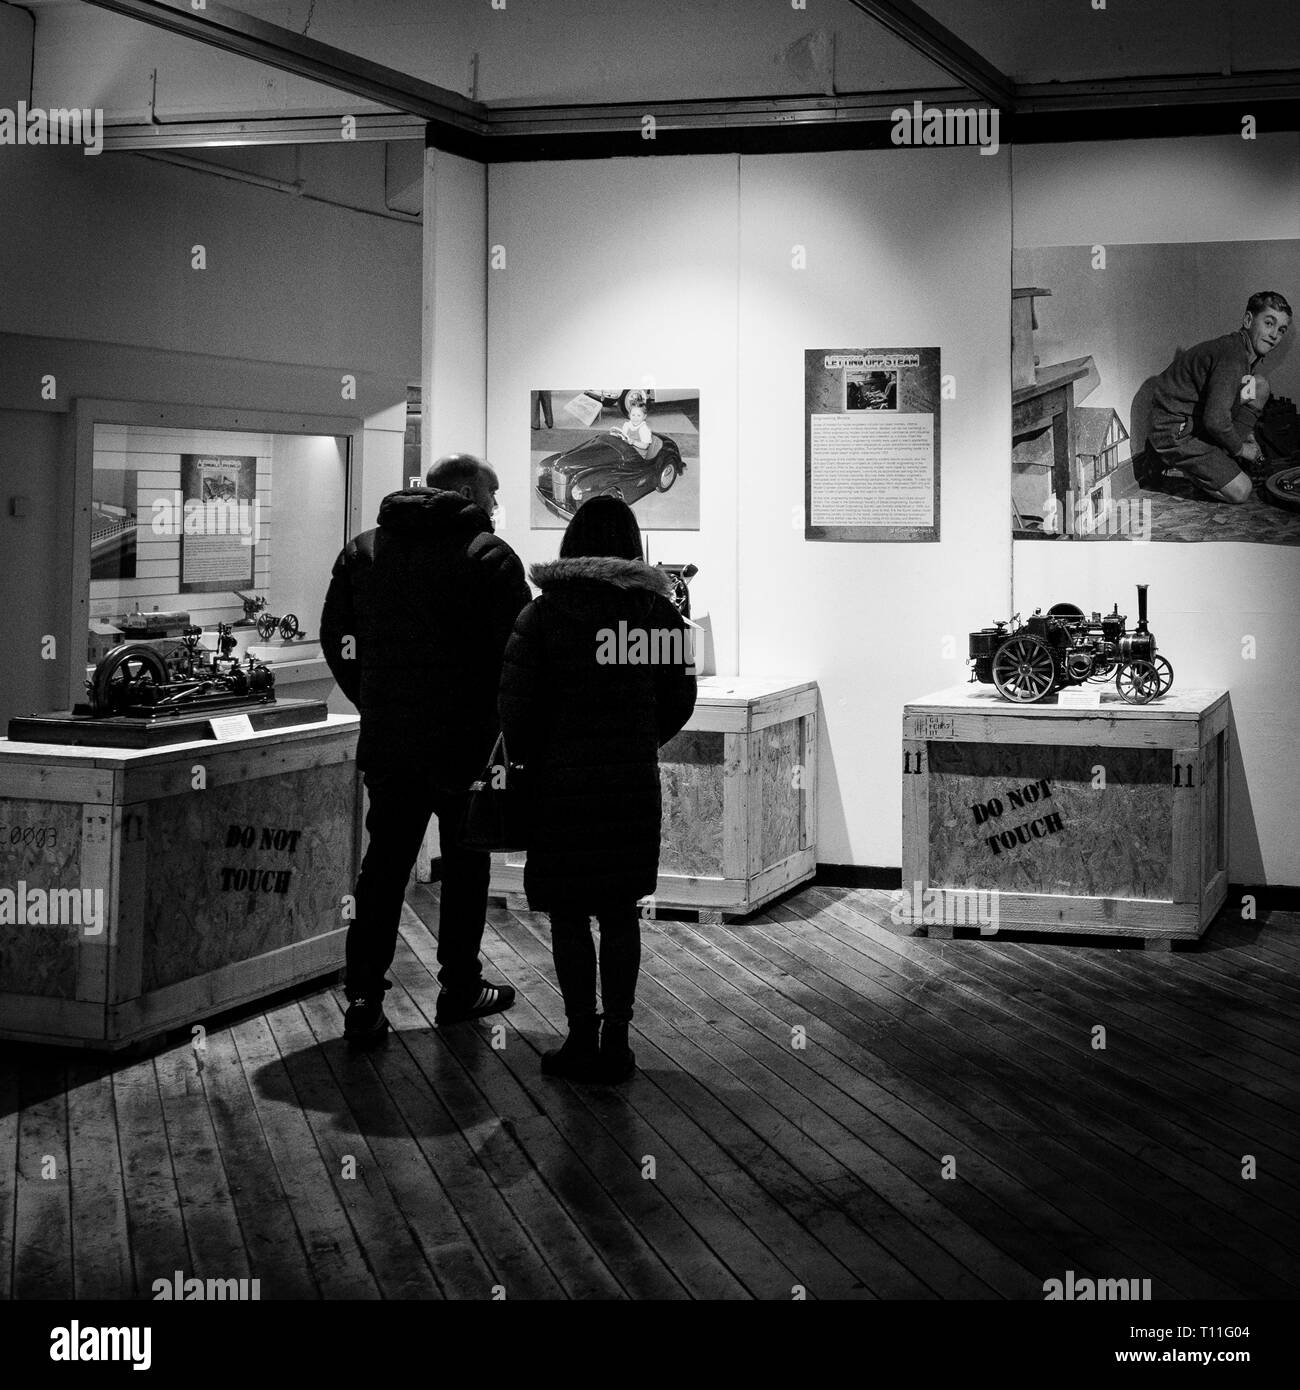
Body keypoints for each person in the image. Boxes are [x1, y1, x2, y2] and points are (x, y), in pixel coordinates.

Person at [320, 454, 531, 1044]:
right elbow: (514, 655)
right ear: (466, 490)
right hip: (466, 744)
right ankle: (460, 987)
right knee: (467, 867)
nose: (494, 505)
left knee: (383, 866)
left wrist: (374, 699)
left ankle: (362, 996)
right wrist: (494, 719)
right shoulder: (488, 556)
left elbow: (338, 639)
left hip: (391, 740)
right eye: (491, 493)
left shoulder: (363, 552)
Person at [499, 497, 696, 1083]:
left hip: (558, 790)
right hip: (629, 784)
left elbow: (515, 710)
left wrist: (546, 757)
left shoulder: (541, 618)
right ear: (633, 545)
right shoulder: (658, 616)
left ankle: (580, 1035)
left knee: (566, 915)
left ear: (571, 544)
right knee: (619, 912)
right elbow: (678, 701)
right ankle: (618, 1040)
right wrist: (636, 740)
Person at [1146, 290, 1292, 503]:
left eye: (1281, 330)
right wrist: (1242, 449)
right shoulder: (1232, 357)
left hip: (1196, 417)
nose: (1274, 335)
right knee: (1242, 490)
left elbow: (1229, 400)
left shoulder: (1242, 351)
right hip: (1175, 430)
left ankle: (1222, 457)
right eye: (1269, 323)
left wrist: (1246, 435)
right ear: (1248, 319)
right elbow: (1215, 420)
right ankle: (1173, 462)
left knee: (1259, 385)